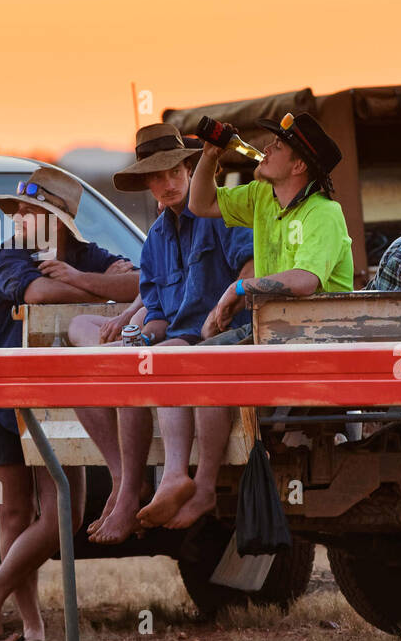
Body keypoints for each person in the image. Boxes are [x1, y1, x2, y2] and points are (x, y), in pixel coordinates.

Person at [133, 112, 353, 528]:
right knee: (187, 359)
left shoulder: (324, 212)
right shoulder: (262, 198)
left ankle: (202, 488)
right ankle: (184, 482)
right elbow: (202, 203)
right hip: (272, 335)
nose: (266, 148)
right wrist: (212, 155)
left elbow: (306, 280)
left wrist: (237, 290)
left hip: (313, 343)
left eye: (278, 146)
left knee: (204, 361)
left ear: (298, 165)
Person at [0, 167, 139, 641]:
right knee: (14, 514)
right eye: (17, 210)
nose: (20, 218)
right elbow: (36, 293)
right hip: (2, 400)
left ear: (57, 219)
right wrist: (100, 288)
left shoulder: (87, 256)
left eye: (30, 211)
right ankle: (29, 630)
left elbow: (142, 284)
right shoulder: (11, 255)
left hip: (62, 405)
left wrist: (83, 277)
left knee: (67, 512)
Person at [70, 124, 254, 542]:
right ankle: (126, 487)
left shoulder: (222, 211)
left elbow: (252, 267)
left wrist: (225, 305)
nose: (168, 183)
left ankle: (176, 478)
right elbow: (155, 309)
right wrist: (137, 338)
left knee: (166, 355)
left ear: (191, 169)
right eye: (157, 176)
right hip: (180, 339)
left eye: (175, 172)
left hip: (226, 337)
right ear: (147, 183)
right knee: (115, 366)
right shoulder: (155, 237)